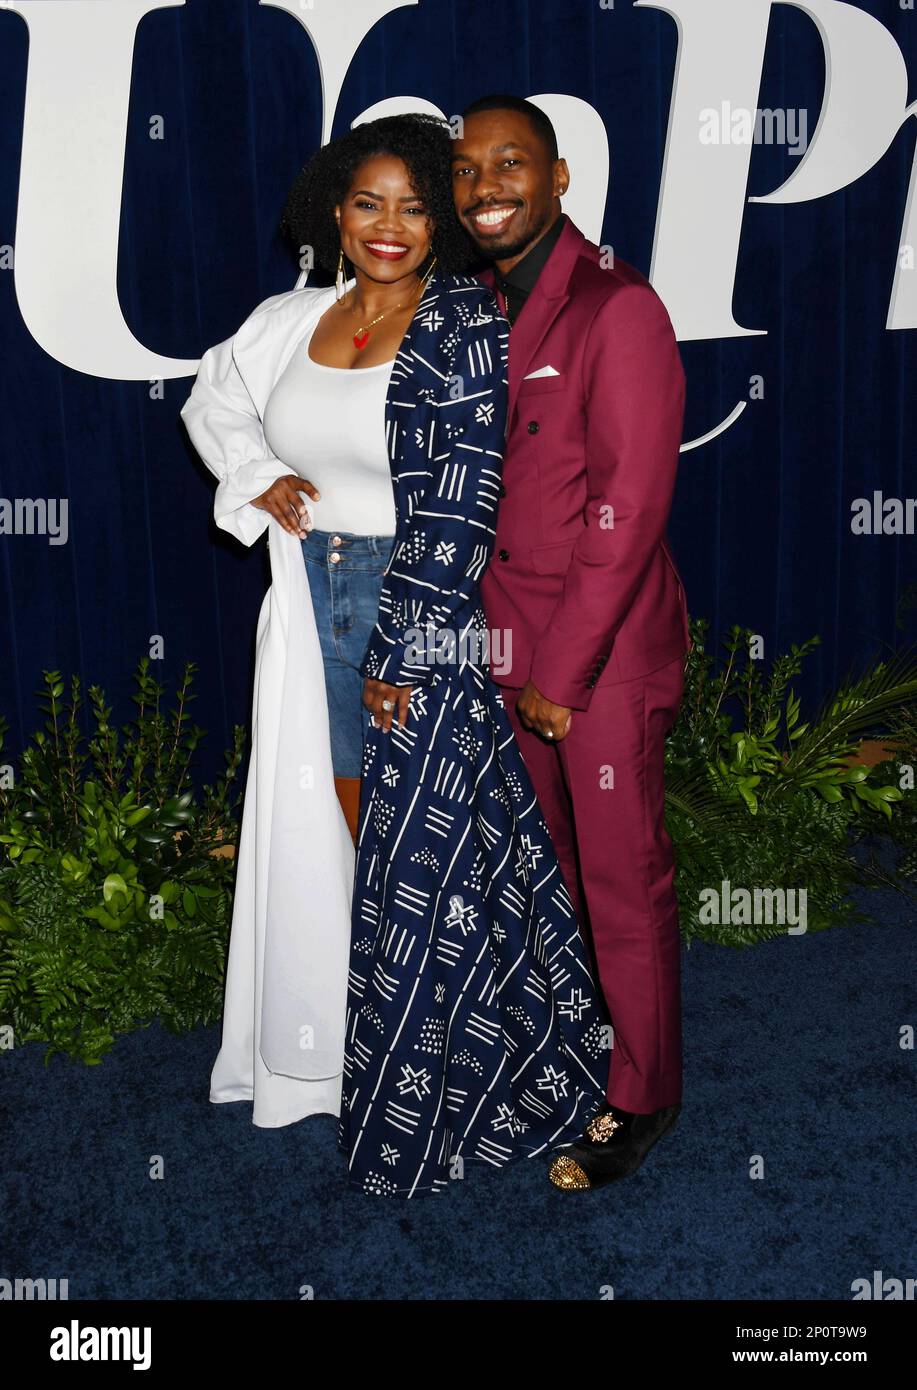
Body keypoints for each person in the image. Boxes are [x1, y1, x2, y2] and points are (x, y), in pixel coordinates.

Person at [181, 113, 605, 1194]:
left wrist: (406, 649)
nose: (389, 225)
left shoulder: (460, 323)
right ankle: (336, 1055)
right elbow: (214, 398)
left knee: (422, 860)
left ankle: (451, 1079)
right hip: (307, 600)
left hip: (417, 607)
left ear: (439, 225)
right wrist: (255, 478)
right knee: (338, 836)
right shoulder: (290, 319)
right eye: (368, 202)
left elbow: (463, 506)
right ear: (335, 211)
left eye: (415, 207)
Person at [453, 95, 690, 1190]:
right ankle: (578, 1042)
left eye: (509, 163)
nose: (485, 186)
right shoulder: (473, 307)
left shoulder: (616, 308)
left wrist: (559, 676)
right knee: (546, 870)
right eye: (466, 169)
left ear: (556, 178)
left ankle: (643, 1094)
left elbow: (626, 512)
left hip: (595, 659)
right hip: (502, 648)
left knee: (619, 876)